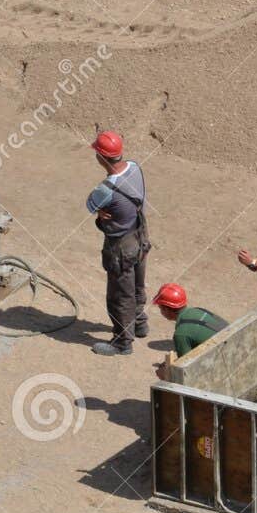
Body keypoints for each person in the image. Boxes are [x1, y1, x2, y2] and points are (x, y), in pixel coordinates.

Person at [85, 130, 149, 356]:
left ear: (102, 157)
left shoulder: (106, 189)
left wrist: (104, 213)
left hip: (120, 247)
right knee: (138, 284)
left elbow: (90, 205)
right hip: (140, 236)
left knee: (120, 295)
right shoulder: (135, 167)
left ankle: (122, 342)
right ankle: (140, 323)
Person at [153, 283, 227, 357]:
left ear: (166, 309)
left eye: (160, 308)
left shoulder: (181, 334)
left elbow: (184, 365)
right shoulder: (198, 310)